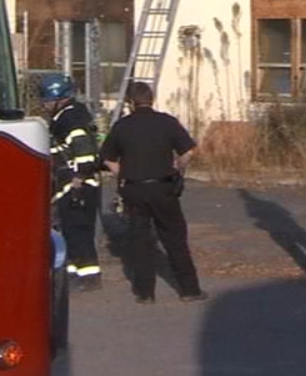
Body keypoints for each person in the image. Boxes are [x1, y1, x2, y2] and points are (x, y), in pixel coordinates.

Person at [99, 81, 206, 304]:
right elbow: (188, 151)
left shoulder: (122, 126)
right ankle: (189, 289)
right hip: (163, 187)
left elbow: (107, 158)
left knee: (139, 241)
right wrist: (177, 167)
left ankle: (145, 293)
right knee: (175, 239)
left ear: (131, 103)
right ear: (151, 99)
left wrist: (123, 172)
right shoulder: (167, 122)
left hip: (134, 189)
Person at [41, 73, 102, 292]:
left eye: (47, 100)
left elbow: (82, 148)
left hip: (77, 185)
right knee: (71, 231)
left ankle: (89, 277)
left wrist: (79, 177)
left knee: (78, 231)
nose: (44, 105)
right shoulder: (68, 116)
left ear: (58, 97)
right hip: (72, 184)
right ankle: (74, 273)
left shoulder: (70, 118)